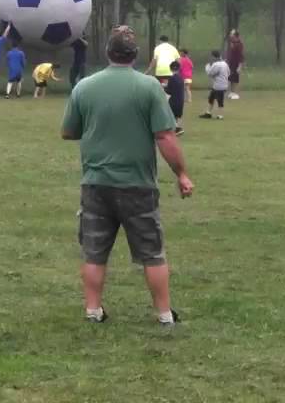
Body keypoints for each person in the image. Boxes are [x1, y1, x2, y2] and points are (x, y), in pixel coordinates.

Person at [62, 25, 194, 328]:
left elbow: (69, 131)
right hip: (137, 184)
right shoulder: (150, 88)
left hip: (95, 183)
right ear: (135, 55)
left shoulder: (84, 86)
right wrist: (182, 174)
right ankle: (164, 314)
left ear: (108, 52)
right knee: (152, 253)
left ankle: (93, 310)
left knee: (94, 252)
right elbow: (165, 137)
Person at [200, 51, 230, 120]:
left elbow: (210, 73)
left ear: (213, 56)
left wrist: (207, 66)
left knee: (220, 100)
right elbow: (229, 72)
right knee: (211, 98)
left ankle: (220, 115)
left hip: (219, 86)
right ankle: (208, 113)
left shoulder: (216, 64)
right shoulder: (225, 63)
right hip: (221, 85)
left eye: (211, 56)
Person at [164, 60, 186, 136]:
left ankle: (177, 129)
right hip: (181, 99)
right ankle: (175, 129)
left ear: (170, 69)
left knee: (170, 114)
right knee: (176, 115)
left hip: (174, 100)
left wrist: (163, 87)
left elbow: (169, 91)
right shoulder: (181, 78)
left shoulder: (171, 78)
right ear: (179, 68)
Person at [225, 30, 245, 100]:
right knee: (231, 78)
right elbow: (230, 53)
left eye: (231, 33)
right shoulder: (232, 42)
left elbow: (241, 56)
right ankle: (232, 92)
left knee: (235, 78)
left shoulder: (239, 44)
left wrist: (240, 66)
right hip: (231, 63)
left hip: (236, 64)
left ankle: (235, 93)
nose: (230, 34)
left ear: (235, 35)